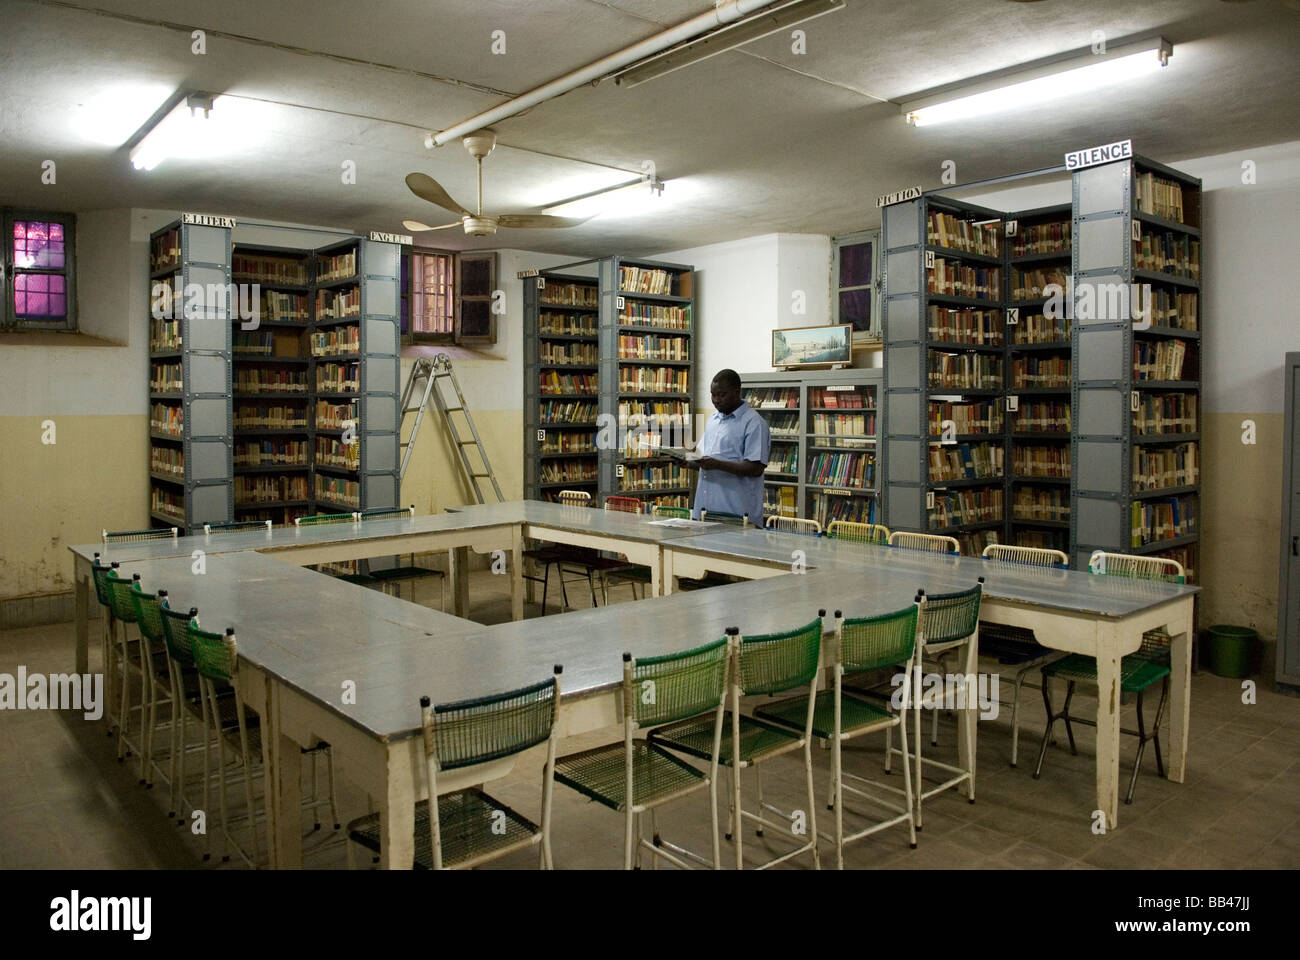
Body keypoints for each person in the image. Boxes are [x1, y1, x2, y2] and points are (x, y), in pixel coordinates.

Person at [690, 369, 770, 525]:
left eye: (721, 395)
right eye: (713, 395)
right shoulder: (712, 420)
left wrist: (717, 464)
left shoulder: (754, 423)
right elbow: (703, 459)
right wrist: (687, 461)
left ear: (737, 392)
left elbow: (755, 468)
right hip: (704, 514)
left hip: (736, 516)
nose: (716, 400)